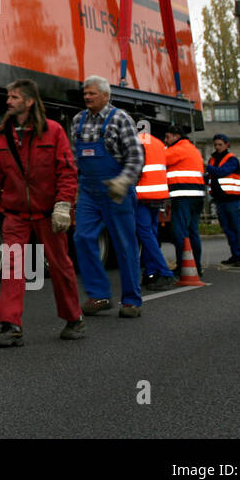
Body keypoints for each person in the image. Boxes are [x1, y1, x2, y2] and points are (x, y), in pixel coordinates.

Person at [0, 79, 82, 345]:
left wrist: (63, 206)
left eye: (14, 97)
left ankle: (74, 319)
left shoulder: (54, 132)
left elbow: (67, 172)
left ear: (28, 102)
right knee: (11, 267)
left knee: (60, 266)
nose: (8, 102)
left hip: (49, 213)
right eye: (8, 97)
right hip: (15, 213)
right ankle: (10, 326)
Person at [70, 75, 146, 318]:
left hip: (117, 191)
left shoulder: (120, 119)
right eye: (85, 93)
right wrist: (72, 189)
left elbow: (136, 156)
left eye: (92, 93)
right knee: (82, 238)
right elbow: (74, 160)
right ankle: (99, 295)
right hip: (89, 193)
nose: (87, 97)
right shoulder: (78, 121)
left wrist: (123, 181)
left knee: (125, 244)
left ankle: (131, 300)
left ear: (105, 95)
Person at [135, 127, 178, 291]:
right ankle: (151, 273)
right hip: (158, 194)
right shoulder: (159, 143)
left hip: (142, 194)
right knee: (151, 234)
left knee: (146, 235)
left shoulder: (135, 142)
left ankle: (165, 273)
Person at [163, 123, 206, 275]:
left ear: (176, 136)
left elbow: (160, 159)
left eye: (167, 137)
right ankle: (196, 266)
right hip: (197, 197)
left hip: (183, 197)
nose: (166, 141)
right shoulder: (192, 149)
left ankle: (183, 267)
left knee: (179, 232)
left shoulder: (177, 150)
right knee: (193, 231)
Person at [205, 133, 240, 267]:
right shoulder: (212, 160)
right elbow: (210, 177)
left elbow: (222, 172)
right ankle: (235, 255)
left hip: (232, 199)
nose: (217, 147)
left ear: (226, 145)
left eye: (220, 144)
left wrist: (206, 168)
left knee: (237, 228)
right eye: (215, 144)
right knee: (228, 229)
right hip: (219, 199)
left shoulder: (231, 159)